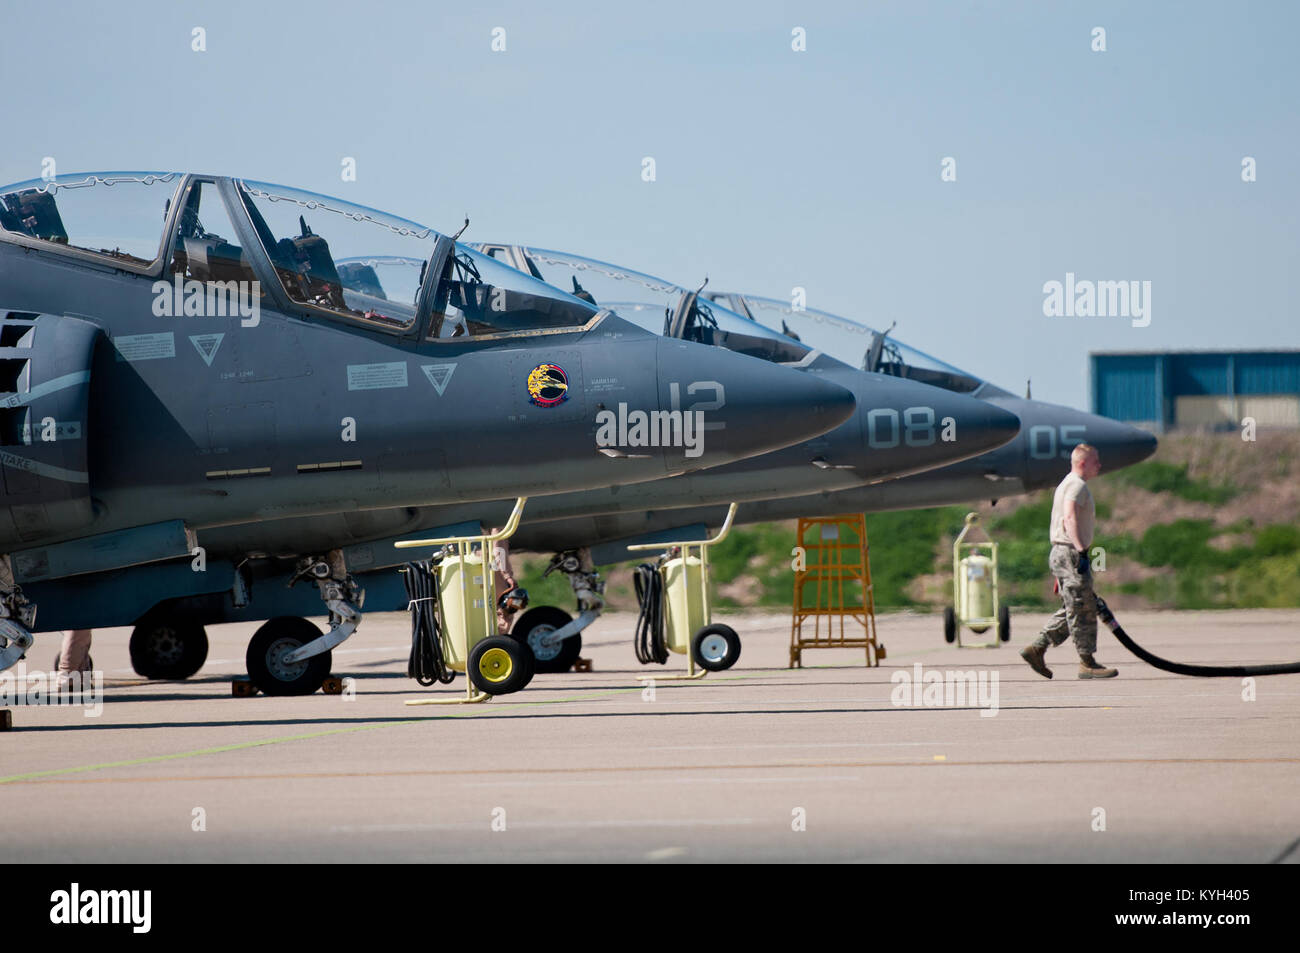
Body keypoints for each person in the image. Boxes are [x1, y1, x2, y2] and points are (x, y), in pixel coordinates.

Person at [1020, 443, 1118, 679]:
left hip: (1063, 553)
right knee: (1082, 607)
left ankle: (1038, 648)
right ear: (1083, 463)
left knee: (1077, 603)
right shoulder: (1076, 485)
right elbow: (1069, 517)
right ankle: (1087, 662)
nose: (1100, 465)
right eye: (1096, 461)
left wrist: (1061, 570)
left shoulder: (1066, 482)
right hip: (1070, 551)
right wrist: (1082, 551)